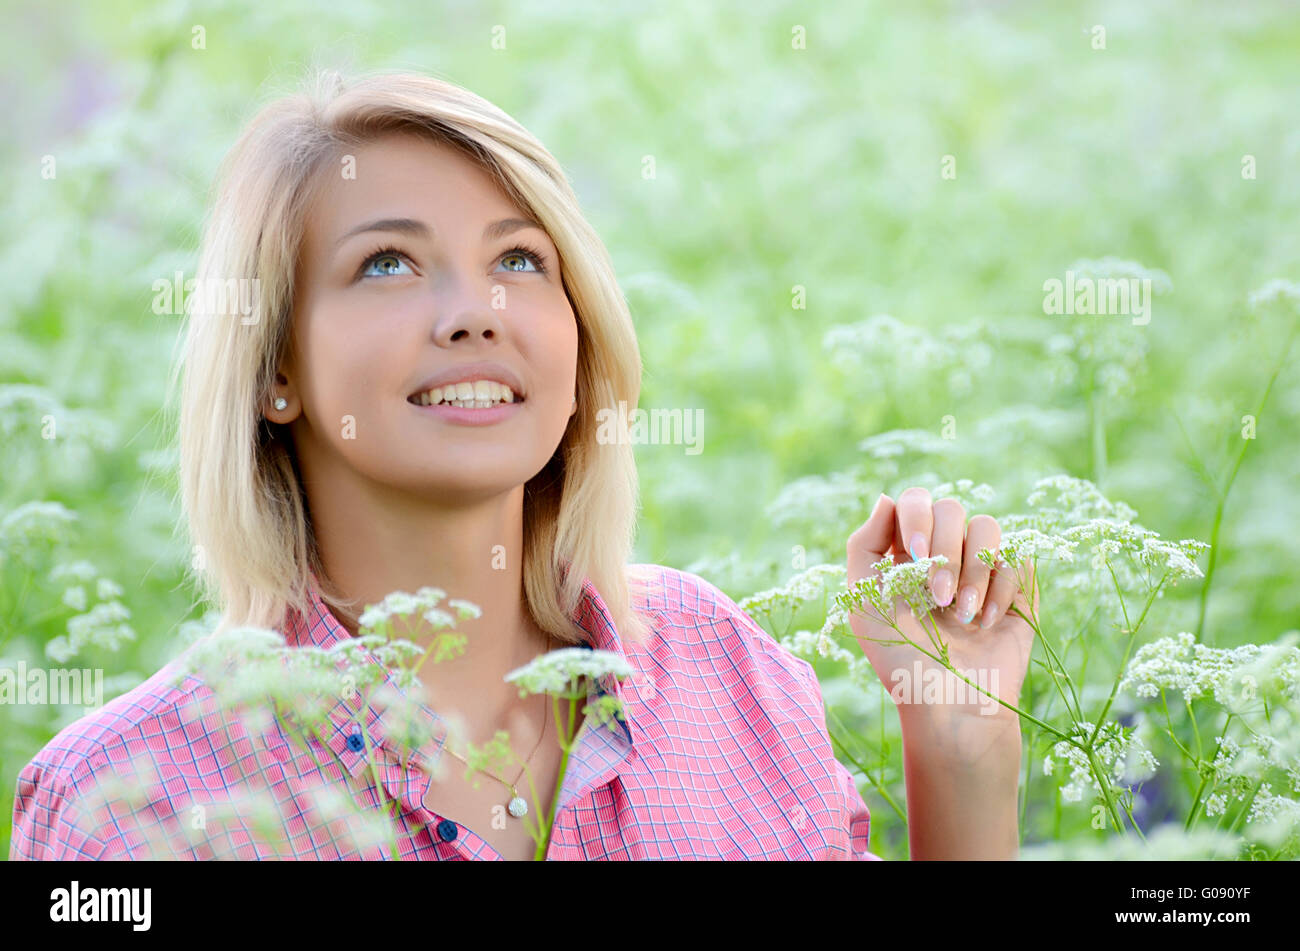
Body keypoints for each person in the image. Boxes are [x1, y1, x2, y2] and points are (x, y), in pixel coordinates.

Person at [10, 68, 1035, 861]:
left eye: (517, 261)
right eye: (387, 263)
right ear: (274, 364)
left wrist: (962, 750)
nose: (474, 315)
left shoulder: (721, 669)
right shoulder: (131, 802)